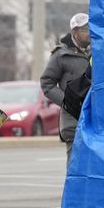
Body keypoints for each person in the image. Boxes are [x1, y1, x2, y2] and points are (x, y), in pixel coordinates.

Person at [40, 12, 92, 165]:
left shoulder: (97, 51)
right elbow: (46, 83)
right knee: (74, 167)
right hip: (72, 122)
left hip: (94, 119)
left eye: (90, 28)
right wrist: (67, 101)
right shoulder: (60, 55)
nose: (89, 33)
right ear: (74, 33)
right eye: (84, 30)